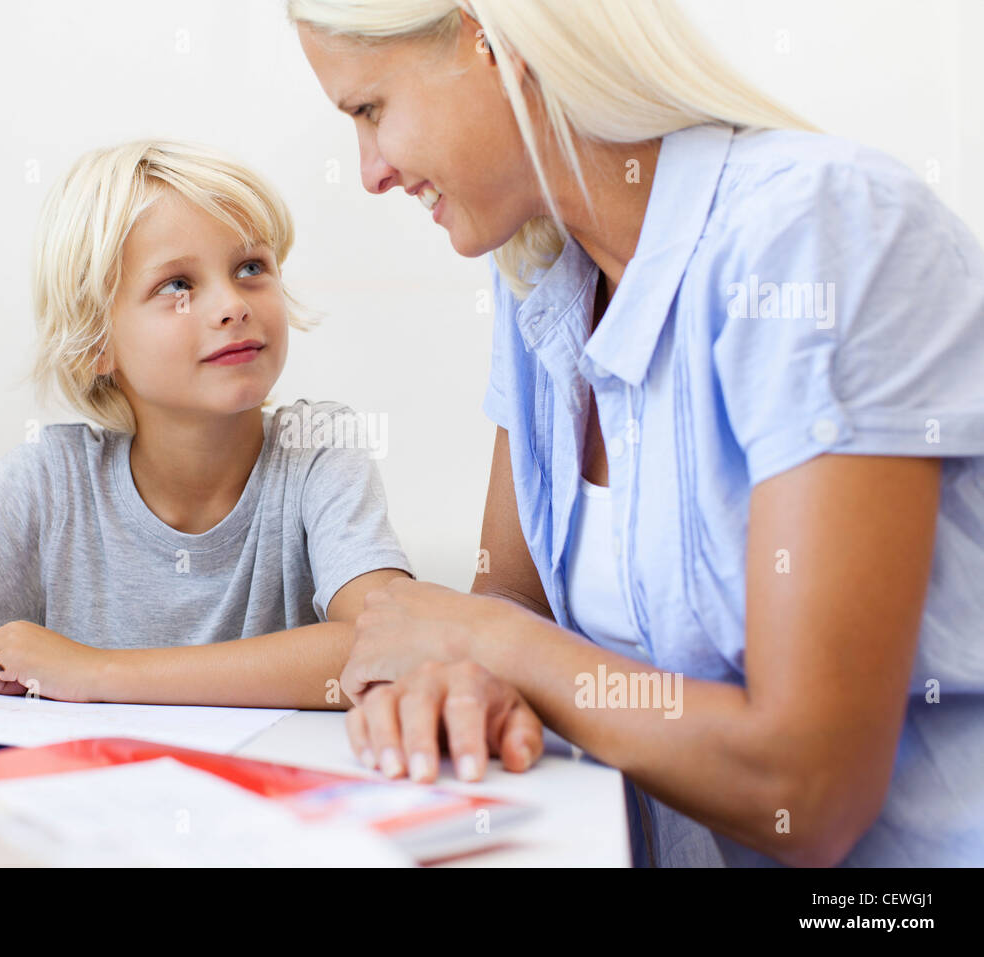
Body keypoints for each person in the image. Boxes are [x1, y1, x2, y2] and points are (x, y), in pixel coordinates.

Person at [290, 0, 984, 866]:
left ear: (490, 39)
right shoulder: (543, 281)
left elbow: (810, 791)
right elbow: (510, 601)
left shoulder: (815, 232)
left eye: (369, 110)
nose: (370, 172)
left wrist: (488, 644)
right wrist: (466, 680)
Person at [0, 140, 413, 712]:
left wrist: (98, 671)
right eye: (178, 284)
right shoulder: (53, 482)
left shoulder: (318, 451)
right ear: (96, 346)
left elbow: (381, 644)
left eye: (250, 267)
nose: (232, 305)